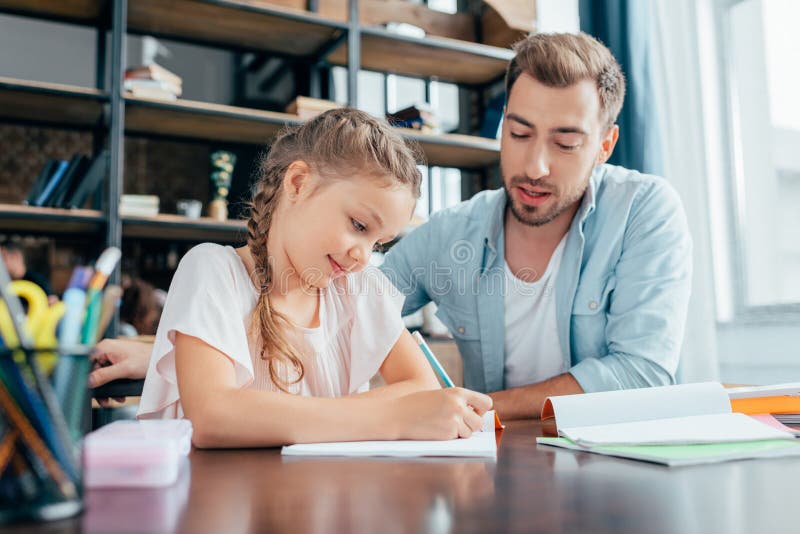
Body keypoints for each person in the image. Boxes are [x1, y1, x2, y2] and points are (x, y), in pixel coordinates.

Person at [90, 32, 692, 421]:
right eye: (519, 133)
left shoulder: (645, 213)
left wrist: (457, 407)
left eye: (565, 142)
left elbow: (638, 373)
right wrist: (177, 348)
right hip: (495, 458)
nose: (534, 164)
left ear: (606, 144)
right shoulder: (456, 234)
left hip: (611, 460)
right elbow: (326, 300)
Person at [131, 109, 491, 448]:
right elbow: (213, 416)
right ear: (299, 182)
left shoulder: (360, 289)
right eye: (359, 226)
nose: (364, 256)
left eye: (378, 242)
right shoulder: (212, 271)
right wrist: (392, 418)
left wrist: (391, 413)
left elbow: (421, 389)